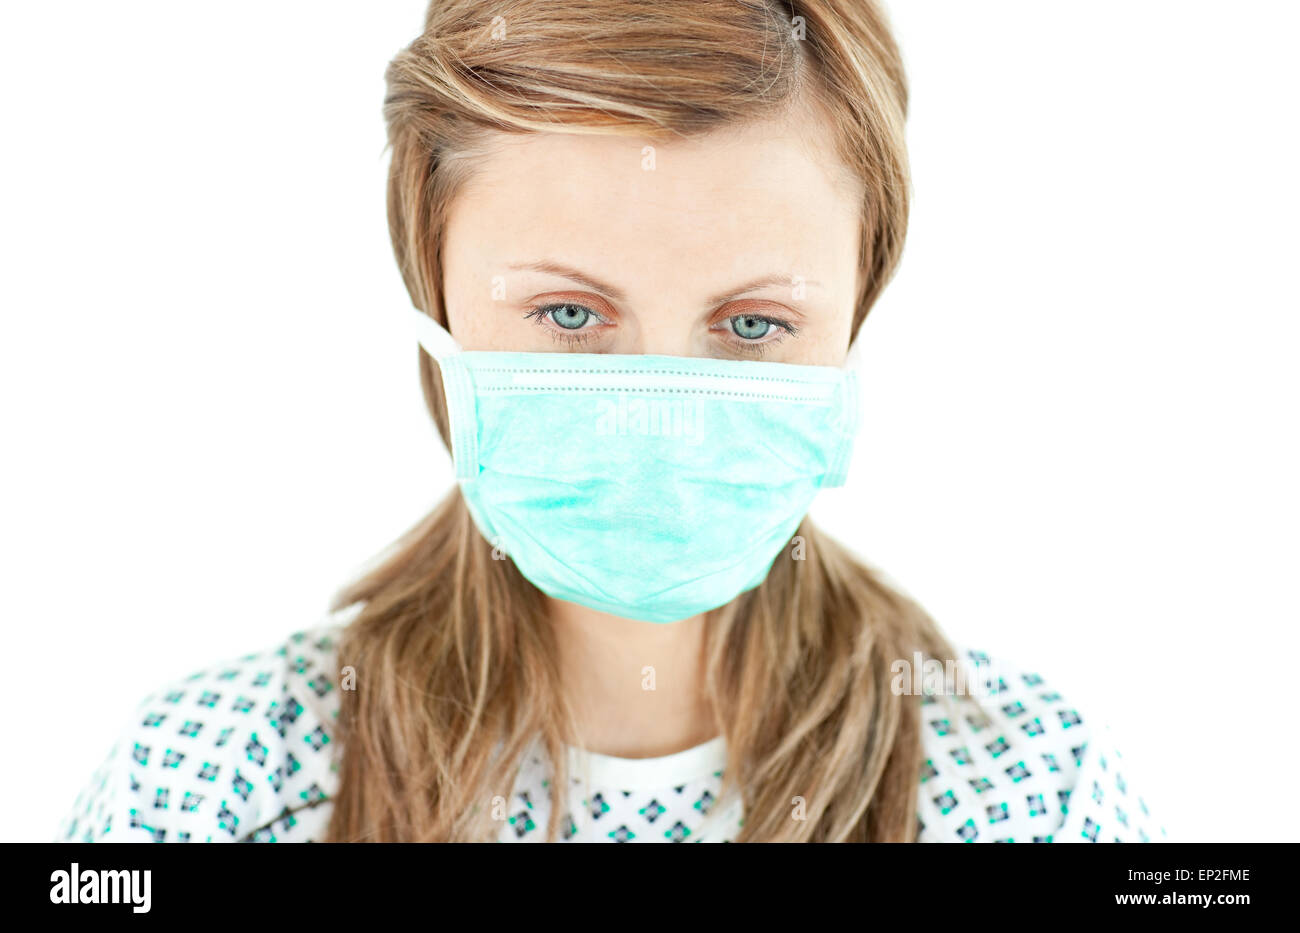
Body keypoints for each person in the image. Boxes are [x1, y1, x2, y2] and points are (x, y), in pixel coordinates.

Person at [58, 0, 1165, 843]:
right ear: (431, 298)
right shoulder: (206, 787)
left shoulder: (1030, 789)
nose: (661, 418)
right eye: (570, 311)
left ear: (856, 316)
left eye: (751, 325)